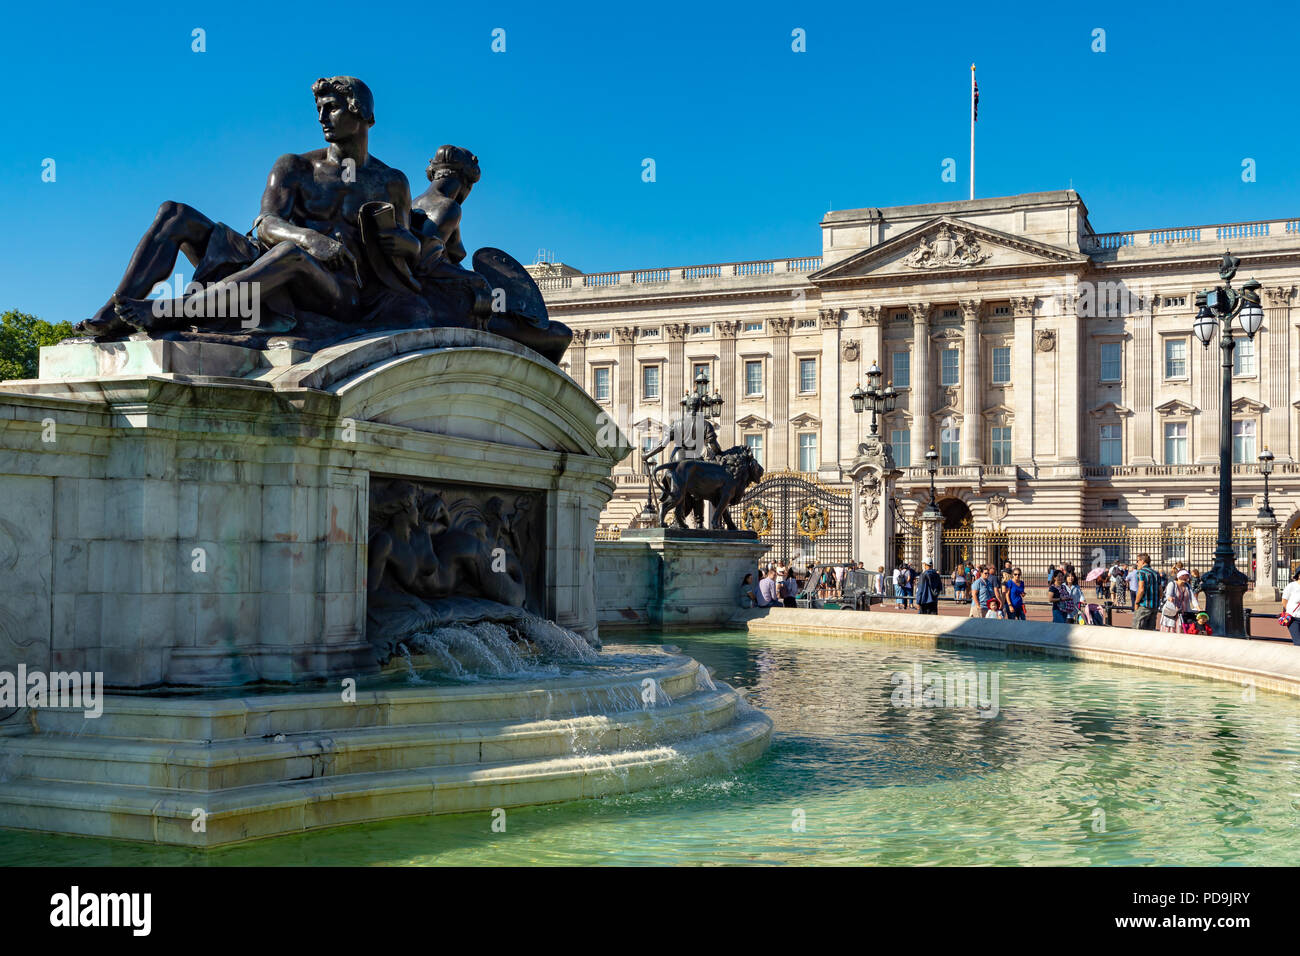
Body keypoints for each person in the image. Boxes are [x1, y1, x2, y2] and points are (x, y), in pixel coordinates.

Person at [1132, 553, 1160, 631]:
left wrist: (1136, 602)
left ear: (1143, 561)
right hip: (1154, 605)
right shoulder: (1156, 573)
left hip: (1144, 605)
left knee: (1137, 628)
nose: (1137, 563)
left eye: (1137, 561)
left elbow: (1141, 589)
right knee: (1150, 631)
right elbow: (1160, 590)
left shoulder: (1141, 572)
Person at [1281, 567, 1300, 645]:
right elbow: (1284, 601)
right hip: (1293, 619)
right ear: (1298, 575)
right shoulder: (1291, 586)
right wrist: (1289, 611)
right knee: (1298, 643)